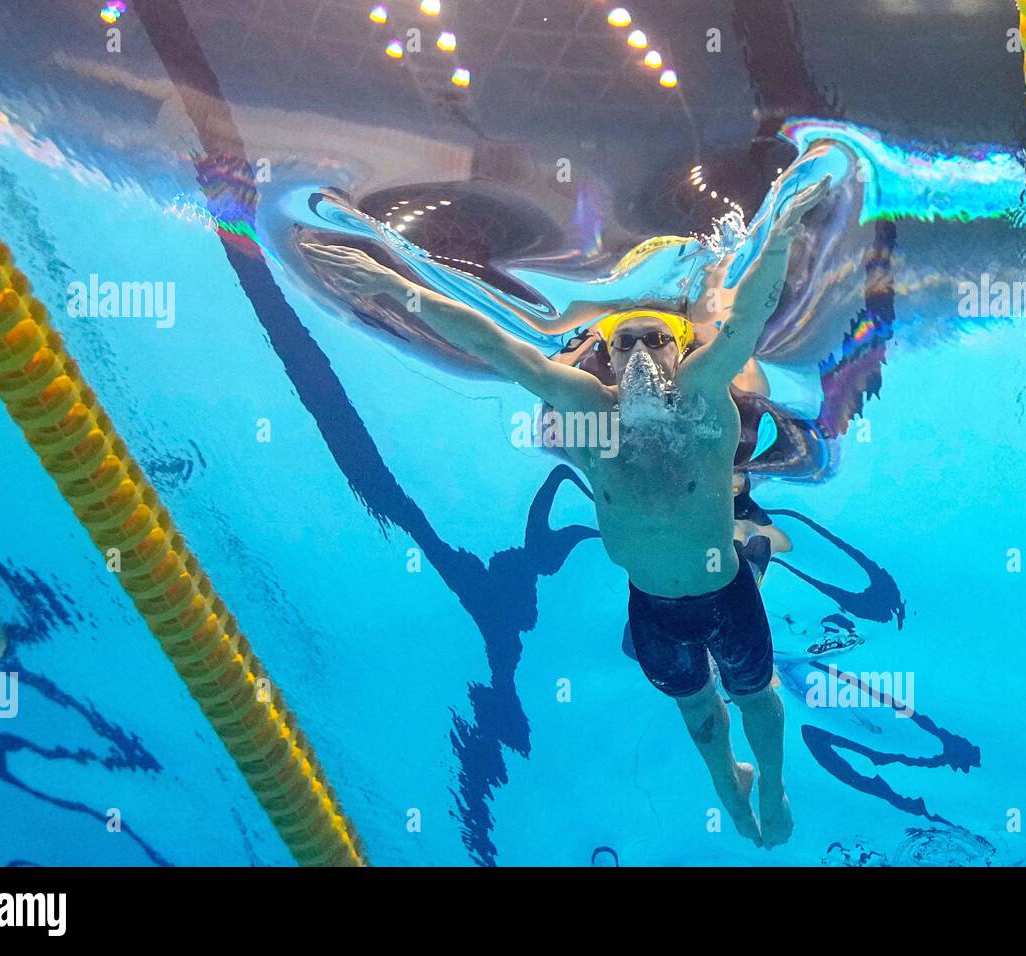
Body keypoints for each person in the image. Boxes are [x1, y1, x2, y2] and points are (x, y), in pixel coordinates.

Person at [333, 176, 829, 848]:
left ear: (680, 347)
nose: (642, 355)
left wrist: (783, 231)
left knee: (755, 696)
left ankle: (772, 784)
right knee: (695, 708)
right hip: (652, 608)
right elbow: (496, 346)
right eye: (627, 344)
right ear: (609, 357)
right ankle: (728, 788)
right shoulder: (590, 409)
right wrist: (394, 285)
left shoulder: (704, 394)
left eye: (656, 340)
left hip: (725, 591)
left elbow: (748, 319)